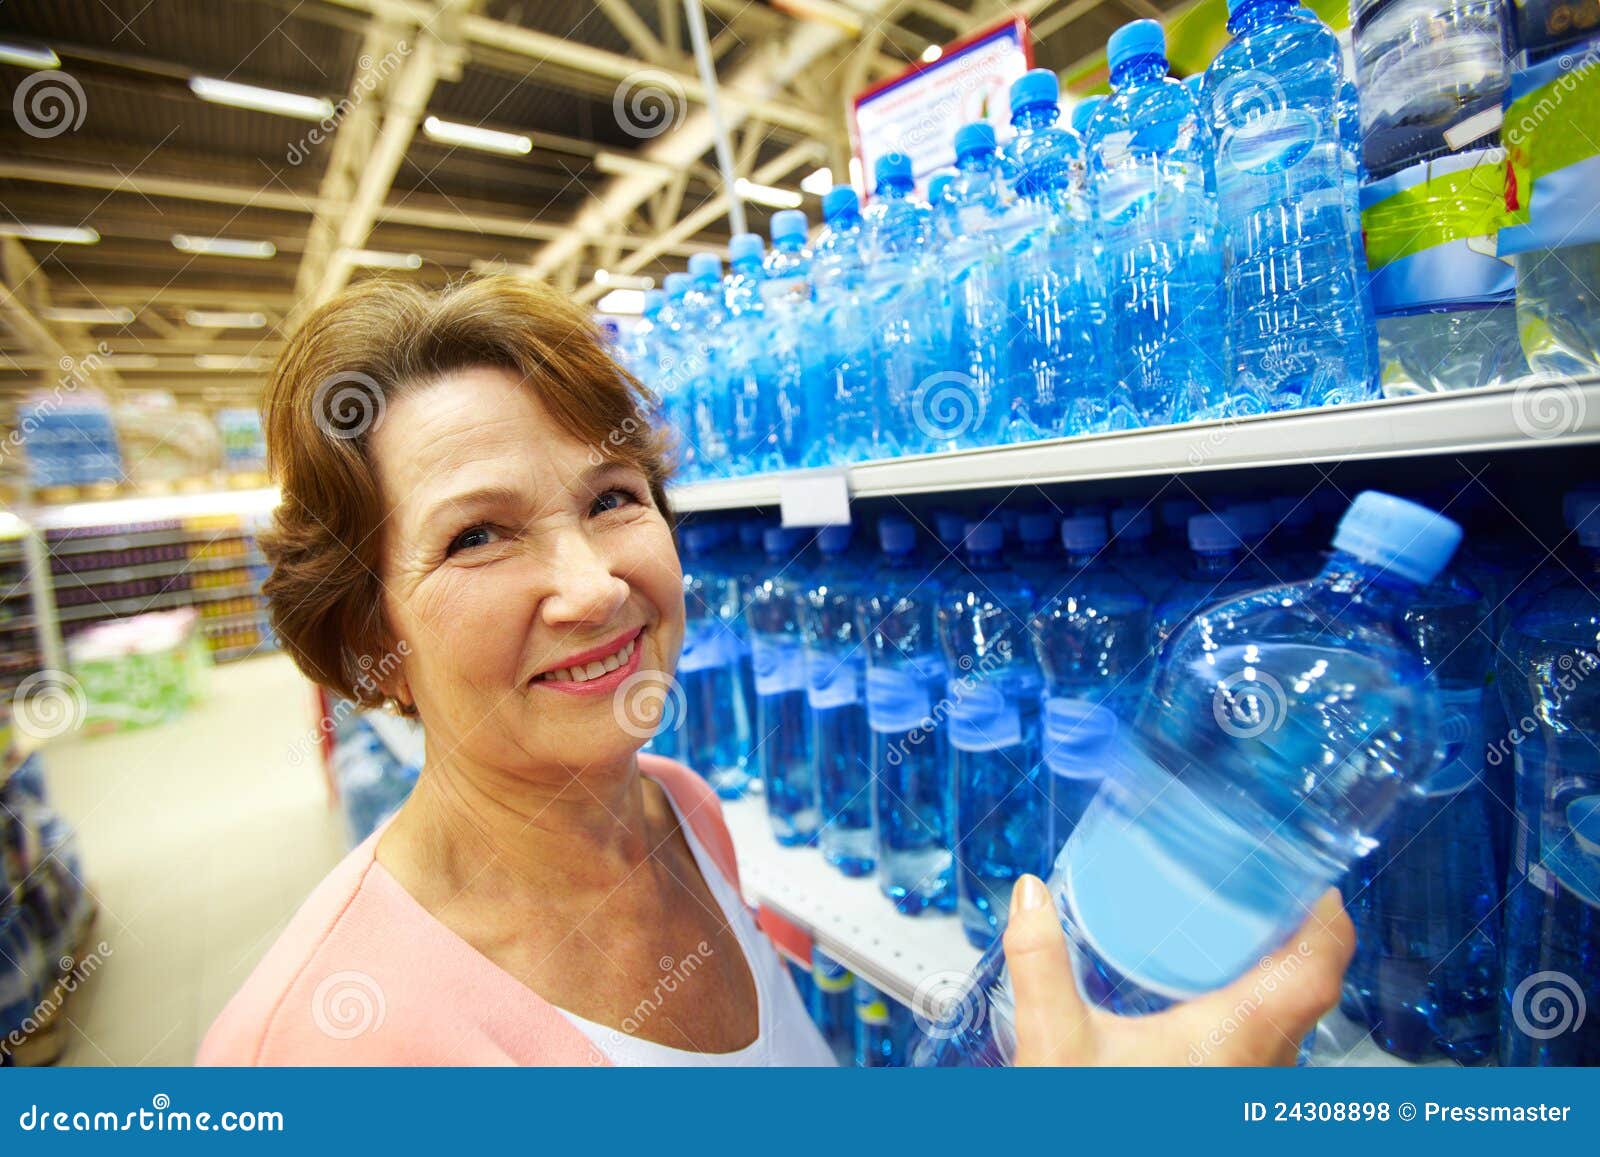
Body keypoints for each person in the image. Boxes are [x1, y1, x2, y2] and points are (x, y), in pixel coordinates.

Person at [198, 275, 1351, 1066]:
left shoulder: (682, 816)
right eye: (478, 535)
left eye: (611, 498)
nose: (595, 584)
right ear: (364, 639)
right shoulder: (321, 1045)